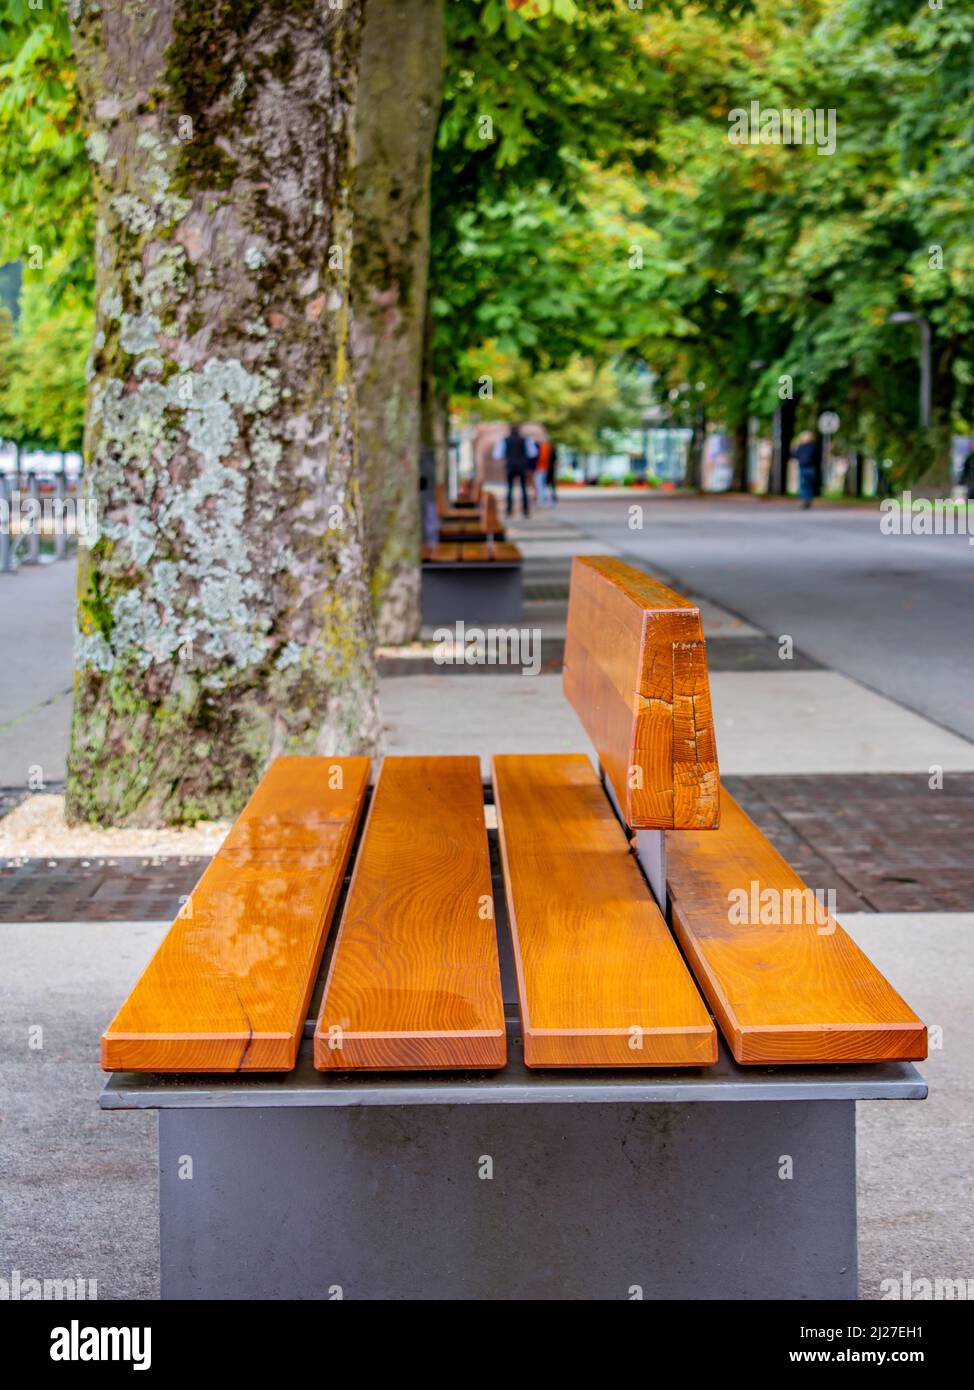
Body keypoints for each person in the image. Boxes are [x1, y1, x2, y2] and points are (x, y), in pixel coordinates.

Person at [493, 424, 538, 517]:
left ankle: (509, 511)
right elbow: (533, 453)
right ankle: (525, 510)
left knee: (509, 489)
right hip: (522, 466)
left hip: (510, 465)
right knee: (524, 489)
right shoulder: (526, 440)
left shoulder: (504, 440)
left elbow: (497, 455)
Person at [794, 431, 820, 509]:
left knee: (803, 485)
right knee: (809, 485)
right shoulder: (814, 447)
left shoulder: (800, 446)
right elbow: (817, 457)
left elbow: (795, 455)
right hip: (811, 468)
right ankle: (808, 501)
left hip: (803, 467)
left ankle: (803, 501)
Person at [535, 438, 552, 506]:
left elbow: (543, 458)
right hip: (543, 468)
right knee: (542, 485)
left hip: (541, 468)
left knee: (541, 485)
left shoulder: (544, 446)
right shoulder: (546, 446)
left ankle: (543, 500)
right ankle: (544, 500)